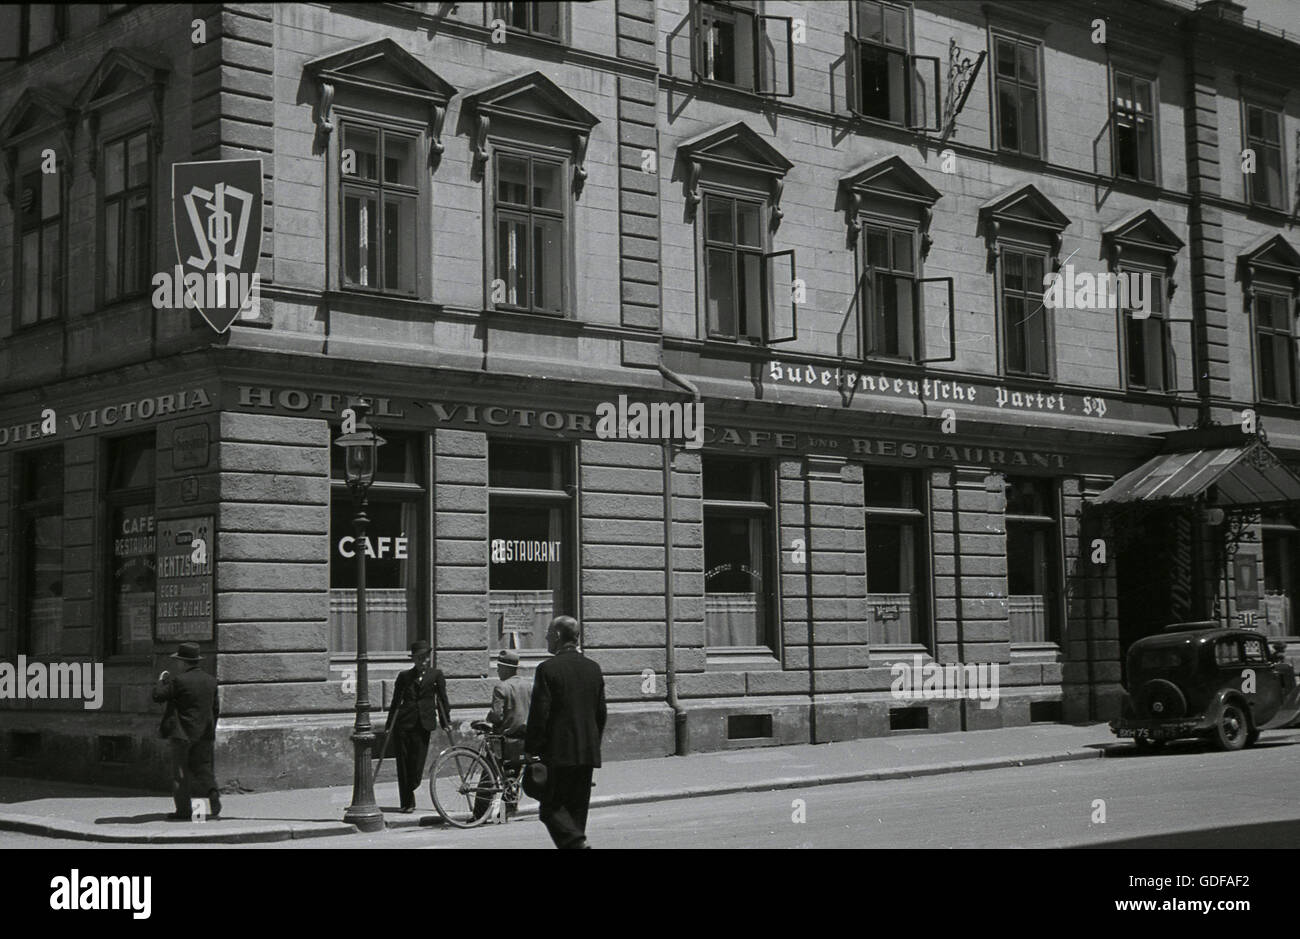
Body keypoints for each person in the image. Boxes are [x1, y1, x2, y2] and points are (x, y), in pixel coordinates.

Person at [525, 615, 606, 849]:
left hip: (559, 755)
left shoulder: (548, 669)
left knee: (550, 809)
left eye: (549, 633)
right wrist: (593, 743)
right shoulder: (593, 668)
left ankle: (577, 843)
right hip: (587, 753)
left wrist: (532, 749)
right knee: (576, 814)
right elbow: (601, 713)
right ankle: (577, 840)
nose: (546, 638)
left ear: (558, 636)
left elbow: (540, 714)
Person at [152, 642, 221, 820]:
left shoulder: (179, 680)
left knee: (181, 772)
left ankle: (183, 811)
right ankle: (212, 791)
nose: (177, 664)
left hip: (182, 733)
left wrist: (161, 681)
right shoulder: (211, 681)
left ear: (183, 662)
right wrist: (209, 729)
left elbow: (158, 696)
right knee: (202, 767)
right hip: (204, 732)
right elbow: (215, 709)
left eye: (179, 661)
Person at [387, 640, 451, 813]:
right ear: (414, 659)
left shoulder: (436, 675)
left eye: (425, 658)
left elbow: (442, 700)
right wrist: (389, 725)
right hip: (403, 723)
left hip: (424, 724)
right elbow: (395, 702)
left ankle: (413, 785)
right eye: (420, 658)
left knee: (417, 764)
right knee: (403, 764)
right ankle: (407, 802)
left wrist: (446, 722)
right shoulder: (404, 677)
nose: (423, 661)